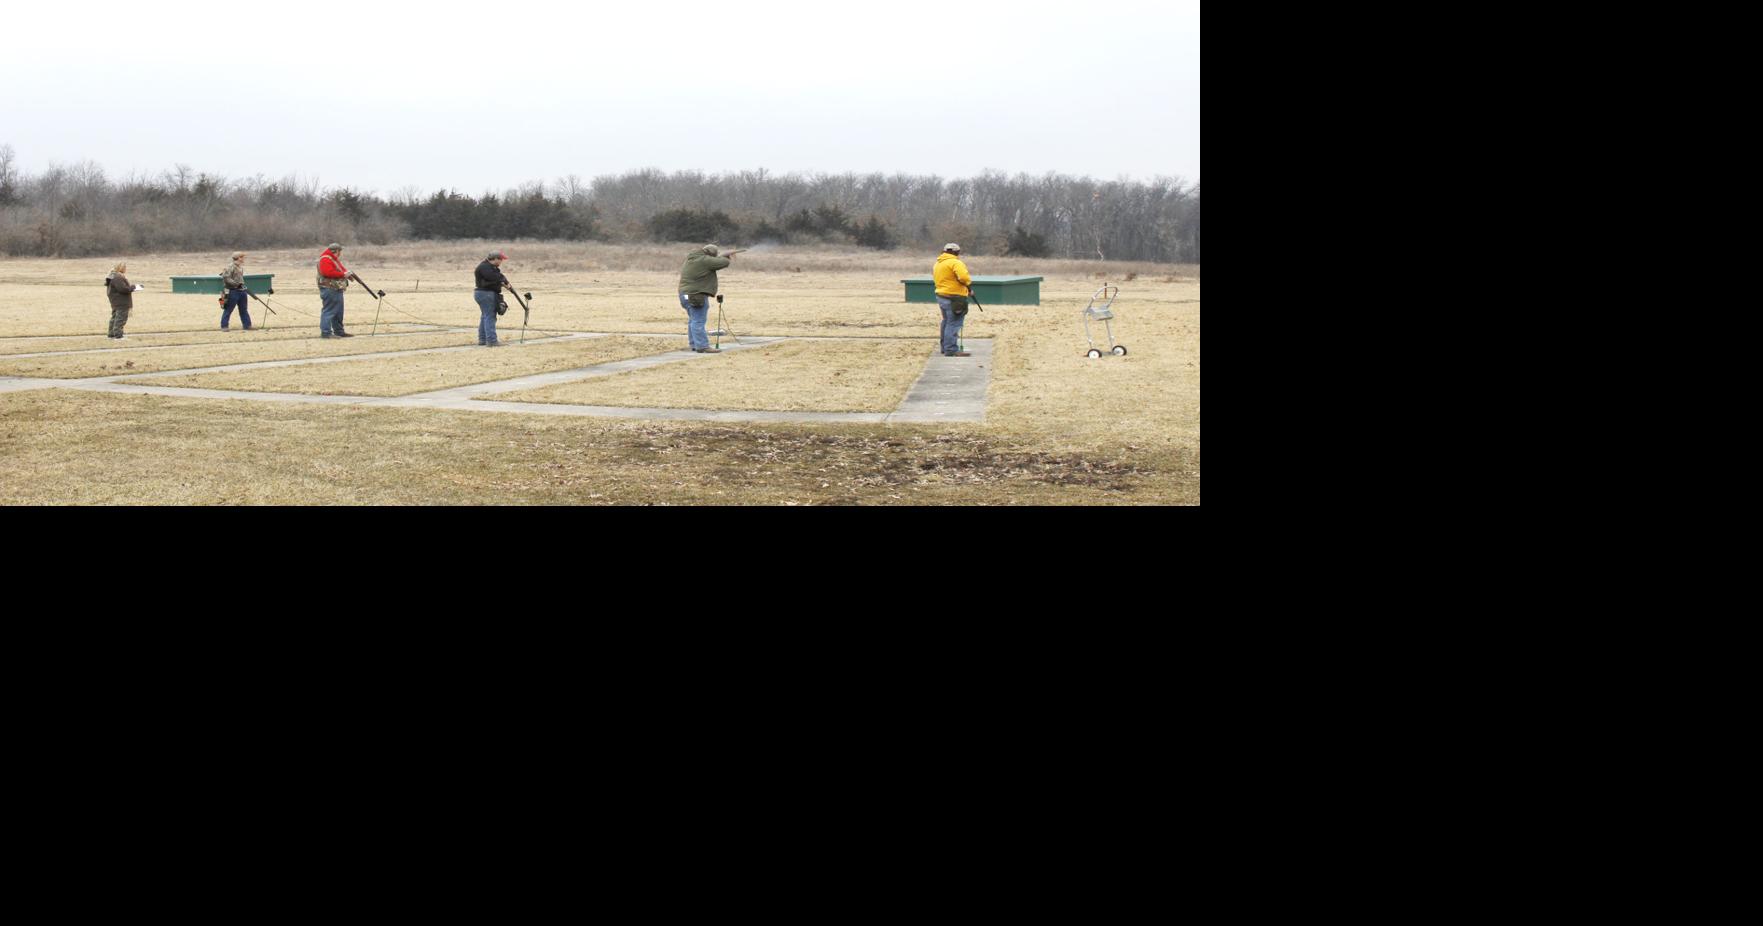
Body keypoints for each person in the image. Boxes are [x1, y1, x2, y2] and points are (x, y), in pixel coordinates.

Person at [677, 244, 733, 353]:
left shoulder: (692, 258)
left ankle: (694, 344)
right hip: (696, 295)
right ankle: (702, 346)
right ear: (711, 254)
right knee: (698, 320)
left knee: (693, 320)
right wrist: (726, 256)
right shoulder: (704, 260)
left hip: (685, 295)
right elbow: (724, 263)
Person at [933, 242, 973, 357]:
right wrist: (968, 286)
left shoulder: (938, 263)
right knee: (954, 323)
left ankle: (944, 347)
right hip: (954, 298)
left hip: (941, 295)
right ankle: (951, 349)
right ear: (956, 252)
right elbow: (964, 277)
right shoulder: (956, 262)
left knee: (946, 321)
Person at [474, 251, 512, 346]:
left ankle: (482, 339)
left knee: (485, 316)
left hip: (484, 293)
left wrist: (506, 282)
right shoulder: (485, 267)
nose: (501, 261)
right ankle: (491, 341)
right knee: (490, 316)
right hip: (486, 294)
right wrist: (503, 282)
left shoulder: (490, 267)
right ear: (494, 259)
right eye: (500, 259)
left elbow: (500, 276)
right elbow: (494, 277)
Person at [316, 242, 354, 338]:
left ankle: (339, 331)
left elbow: (341, 269)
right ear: (336, 251)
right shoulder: (325, 259)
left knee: (338, 311)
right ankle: (326, 333)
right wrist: (343, 275)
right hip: (329, 288)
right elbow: (327, 272)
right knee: (329, 311)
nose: (340, 253)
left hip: (336, 288)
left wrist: (347, 274)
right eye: (339, 251)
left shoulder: (333, 259)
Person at [104, 262, 141, 340]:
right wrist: (133, 287)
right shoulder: (118, 277)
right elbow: (123, 289)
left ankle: (111, 334)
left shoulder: (112, 276)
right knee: (120, 319)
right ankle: (118, 335)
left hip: (115, 301)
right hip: (121, 301)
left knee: (114, 318)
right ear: (119, 268)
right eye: (124, 267)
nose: (125, 268)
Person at [219, 251, 252, 330]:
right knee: (228, 309)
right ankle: (224, 326)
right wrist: (237, 284)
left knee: (243, 309)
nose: (244, 259)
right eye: (242, 257)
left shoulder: (240, 267)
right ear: (239, 258)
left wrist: (242, 286)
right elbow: (226, 278)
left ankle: (247, 325)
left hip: (242, 291)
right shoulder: (230, 267)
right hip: (232, 291)